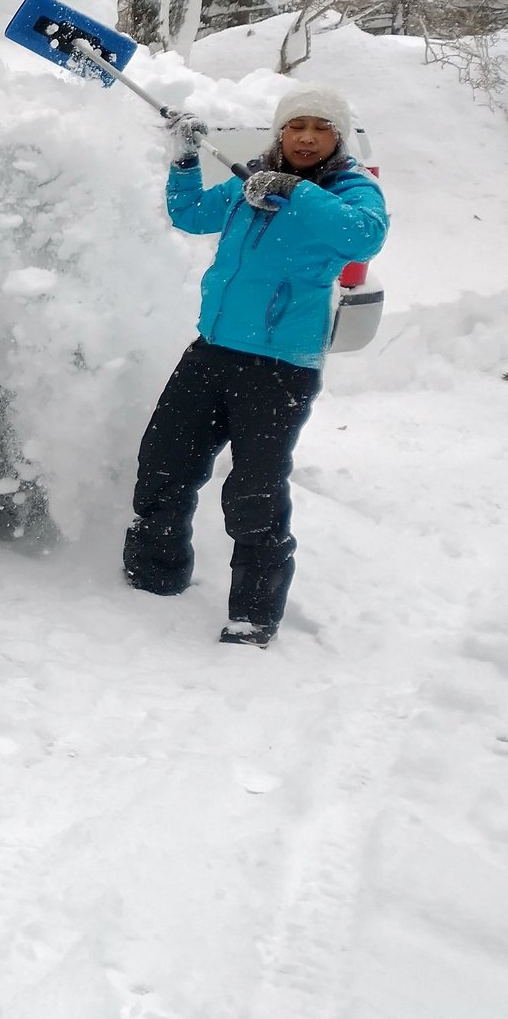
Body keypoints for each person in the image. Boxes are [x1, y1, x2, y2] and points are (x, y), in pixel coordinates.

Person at [124, 83, 389, 647]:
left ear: (337, 137)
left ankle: (252, 617)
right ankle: (152, 578)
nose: (307, 137)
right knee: (164, 462)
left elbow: (365, 234)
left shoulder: (350, 189)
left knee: (254, 491)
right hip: (212, 350)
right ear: (281, 132)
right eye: (297, 126)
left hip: (280, 367)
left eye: (320, 128)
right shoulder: (250, 181)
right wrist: (187, 159)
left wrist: (294, 190)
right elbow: (191, 215)